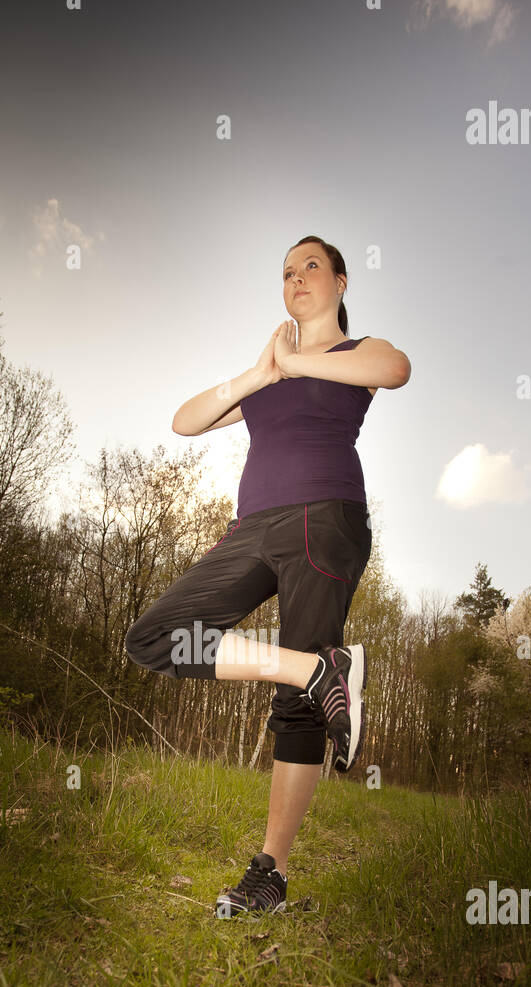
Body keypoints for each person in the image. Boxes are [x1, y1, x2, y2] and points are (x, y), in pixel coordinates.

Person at [124, 235, 410, 917]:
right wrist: (261, 372)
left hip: (323, 517)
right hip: (249, 528)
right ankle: (315, 669)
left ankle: (269, 874)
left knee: (298, 712)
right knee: (156, 638)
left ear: (340, 281)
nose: (297, 278)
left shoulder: (354, 356)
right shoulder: (271, 374)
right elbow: (184, 421)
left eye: (311, 265)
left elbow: (396, 368)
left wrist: (296, 359)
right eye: (286, 272)